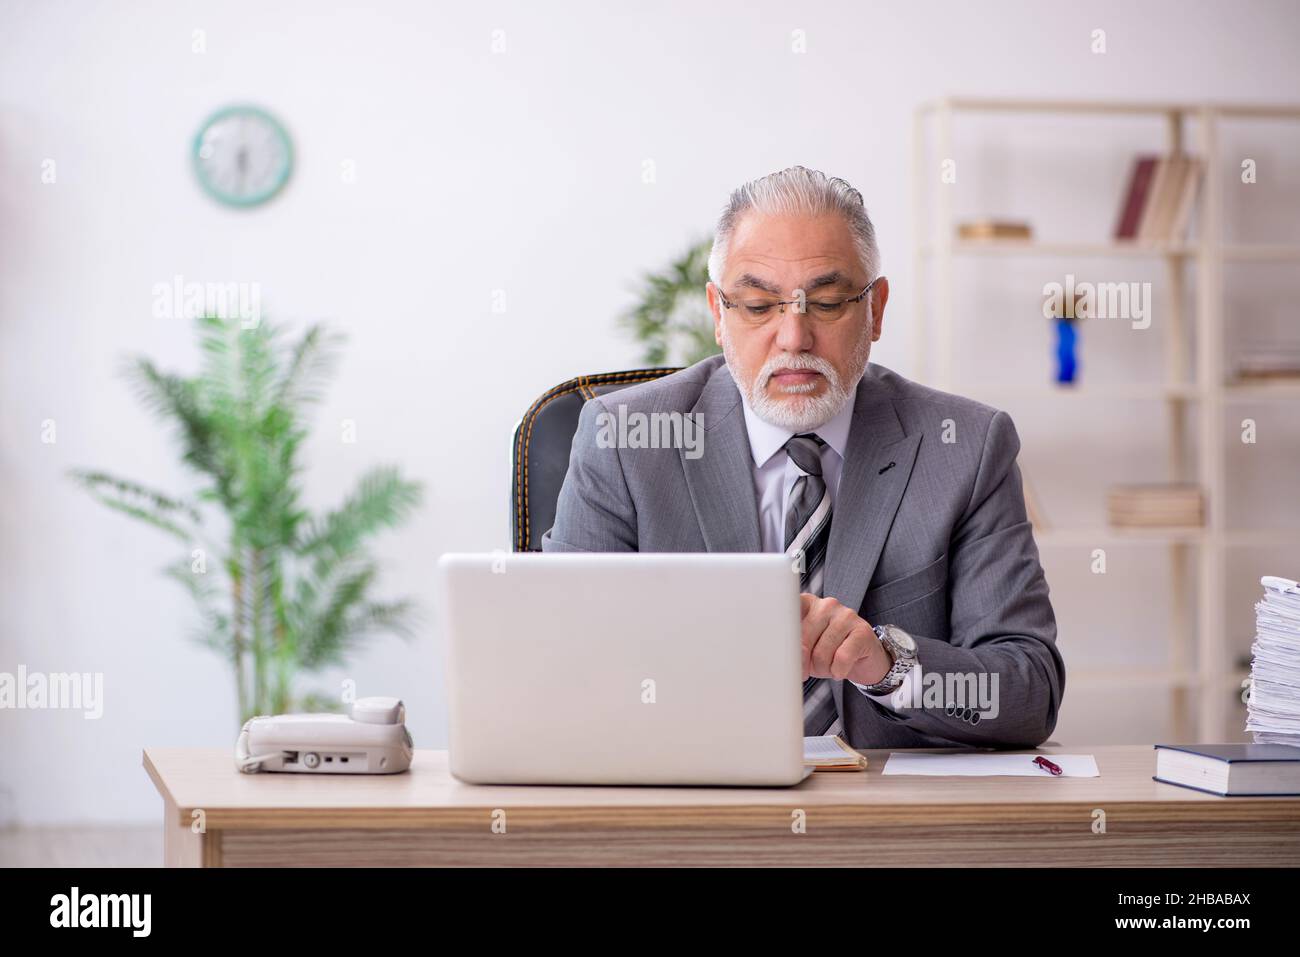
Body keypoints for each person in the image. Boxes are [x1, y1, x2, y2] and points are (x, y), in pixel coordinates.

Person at [542, 166, 1063, 748]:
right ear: (718, 313)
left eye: (829, 301)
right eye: (760, 305)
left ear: (876, 310)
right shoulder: (626, 440)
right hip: (691, 805)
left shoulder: (966, 445)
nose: (794, 338)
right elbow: (562, 671)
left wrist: (889, 665)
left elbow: (1028, 694)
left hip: (888, 820)